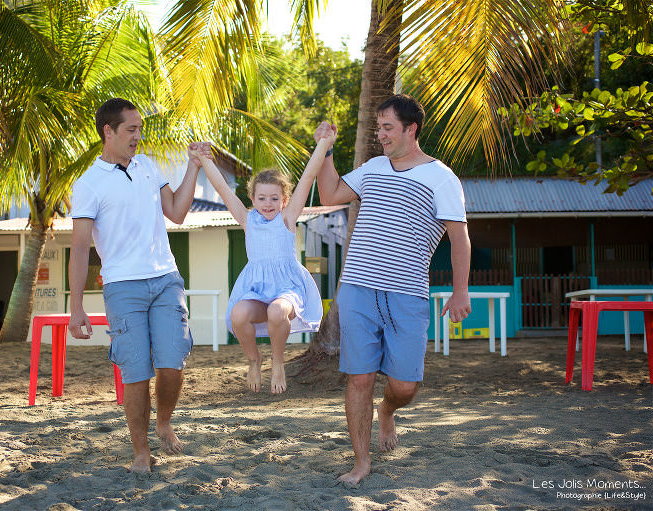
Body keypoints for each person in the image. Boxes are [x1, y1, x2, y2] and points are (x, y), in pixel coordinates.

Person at [315, 94, 471, 485]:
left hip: (407, 293)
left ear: (410, 128)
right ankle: (361, 462)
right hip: (358, 289)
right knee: (360, 378)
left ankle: (388, 410)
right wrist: (325, 151)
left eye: (387, 127)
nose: (380, 135)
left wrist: (460, 291)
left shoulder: (441, 177)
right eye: (378, 127)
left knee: (405, 385)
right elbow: (330, 195)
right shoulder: (373, 168)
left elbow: (460, 238)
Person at [68, 97, 210, 473]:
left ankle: (164, 422)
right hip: (122, 286)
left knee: (173, 362)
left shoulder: (148, 166)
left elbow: (178, 213)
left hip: (166, 279)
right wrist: (77, 307)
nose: (137, 137)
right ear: (108, 131)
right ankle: (141, 452)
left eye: (139, 129)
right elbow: (80, 249)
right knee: (136, 372)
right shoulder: (88, 184)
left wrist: (194, 167)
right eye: (131, 130)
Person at [190, 127, 337, 394]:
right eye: (261, 198)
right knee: (238, 314)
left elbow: (307, 177)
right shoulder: (248, 219)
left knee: (277, 312)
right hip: (256, 289)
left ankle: (277, 361)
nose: (267, 203)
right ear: (252, 198)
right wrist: (204, 159)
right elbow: (223, 189)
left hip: (286, 288)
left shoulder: (287, 218)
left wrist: (324, 143)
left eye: (274, 198)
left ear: (285, 200)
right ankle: (253, 359)